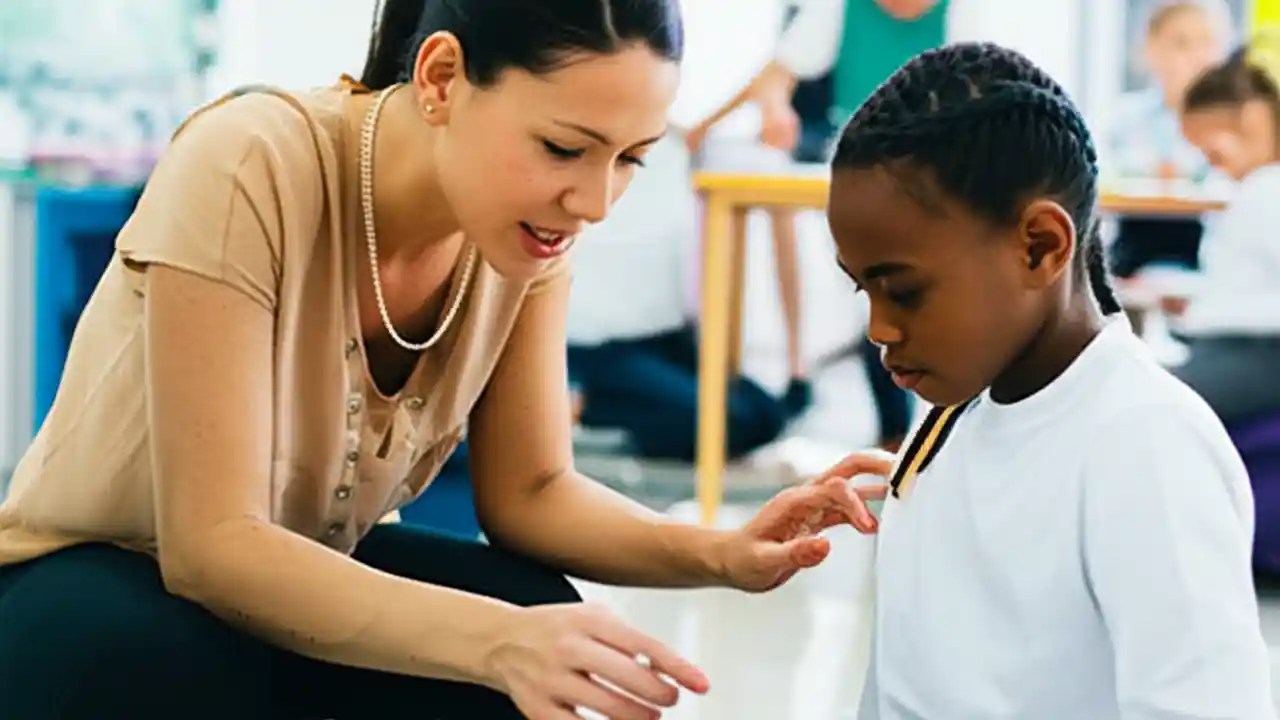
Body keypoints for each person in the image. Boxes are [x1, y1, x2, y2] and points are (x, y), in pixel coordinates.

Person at [0, 2, 893, 718]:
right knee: (142, 656)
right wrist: (490, 641)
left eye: (630, 160)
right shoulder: (249, 162)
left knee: (536, 614)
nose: (594, 200)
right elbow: (213, 549)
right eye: (564, 148)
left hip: (287, 587)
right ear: (439, 77)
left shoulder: (527, 235)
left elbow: (532, 493)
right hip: (98, 585)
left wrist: (719, 549)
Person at [819, 42, 1273, 718]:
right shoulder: (944, 423)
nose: (879, 328)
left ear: (1040, 246)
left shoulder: (1146, 442)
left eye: (904, 292)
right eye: (865, 293)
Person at [1164, 47, 1280, 427]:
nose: (1212, 166)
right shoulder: (1255, 189)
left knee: (1148, 405)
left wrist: (1206, 312)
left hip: (1260, 354)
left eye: (1212, 152)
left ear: (1251, 120)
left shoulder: (1268, 190)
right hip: (1234, 348)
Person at [1107, 0, 1230, 280]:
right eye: (1182, 43)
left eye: (1208, 43)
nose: (1199, 56)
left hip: (1210, 250)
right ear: (1151, 49)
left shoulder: (1235, 125)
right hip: (1133, 250)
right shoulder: (1126, 118)